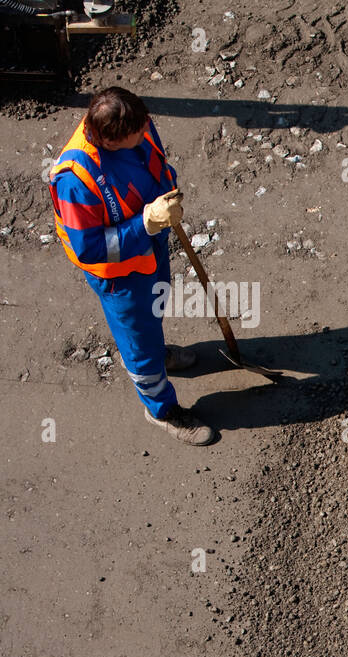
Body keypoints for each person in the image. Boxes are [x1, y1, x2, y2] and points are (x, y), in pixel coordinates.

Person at [49, 87, 215, 445]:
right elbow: (90, 247)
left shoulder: (136, 122)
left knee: (156, 305)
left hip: (149, 248)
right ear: (109, 140)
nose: (145, 134)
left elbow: (154, 160)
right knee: (137, 335)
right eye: (135, 135)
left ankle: (155, 353)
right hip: (119, 275)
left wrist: (166, 194)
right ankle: (161, 408)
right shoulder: (75, 180)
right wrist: (146, 223)